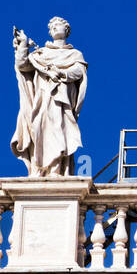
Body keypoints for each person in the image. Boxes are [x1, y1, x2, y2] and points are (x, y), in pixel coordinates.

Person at [10, 16, 87, 176]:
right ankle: (40, 169)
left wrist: (61, 73)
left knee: (59, 128)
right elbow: (22, 65)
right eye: (52, 26)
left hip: (61, 99)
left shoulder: (74, 54)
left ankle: (56, 170)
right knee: (38, 127)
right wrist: (23, 44)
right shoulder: (41, 54)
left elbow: (78, 71)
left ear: (66, 30)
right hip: (42, 99)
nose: (54, 28)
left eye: (58, 25)